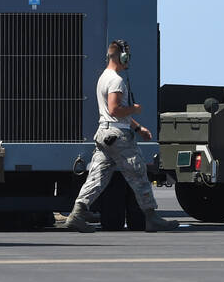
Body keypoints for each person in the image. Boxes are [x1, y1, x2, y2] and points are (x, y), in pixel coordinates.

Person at [63, 40, 177, 232]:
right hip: (118, 136)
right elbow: (115, 109)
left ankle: (77, 213)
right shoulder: (116, 80)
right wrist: (135, 109)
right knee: (139, 173)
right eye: (127, 56)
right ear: (121, 56)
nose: (129, 60)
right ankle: (151, 217)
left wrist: (138, 127)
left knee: (97, 177)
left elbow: (110, 113)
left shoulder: (103, 78)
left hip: (104, 133)